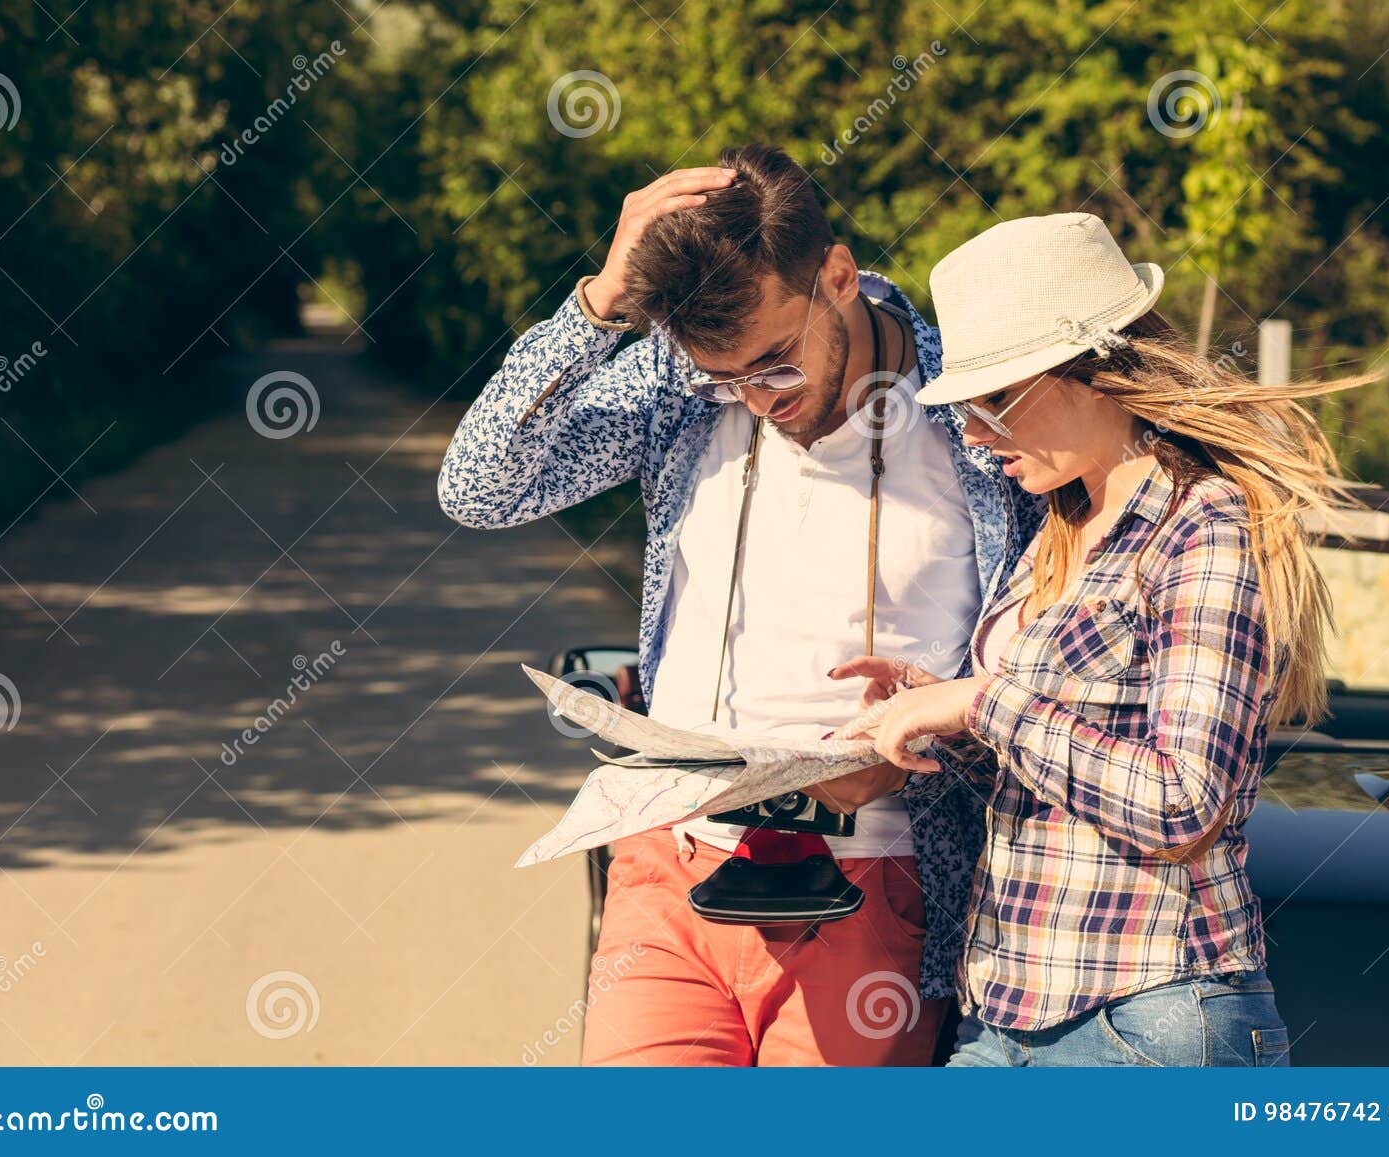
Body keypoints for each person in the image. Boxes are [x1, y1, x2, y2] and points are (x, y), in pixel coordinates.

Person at [437, 144, 1035, 1065]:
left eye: (775, 365)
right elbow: (480, 487)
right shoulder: (682, 391)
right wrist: (597, 303)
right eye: (727, 378)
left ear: (838, 275)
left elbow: (1048, 662)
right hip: (669, 869)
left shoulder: (973, 414)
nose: (755, 399)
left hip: (881, 879)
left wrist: (935, 751)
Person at [833, 212, 1369, 1066]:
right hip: (1008, 1011)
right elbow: (1047, 770)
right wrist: (935, 716)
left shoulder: (1204, 528)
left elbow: (1186, 801)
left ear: (1094, 373)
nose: (973, 434)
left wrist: (979, 698)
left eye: (995, 399)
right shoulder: (1060, 525)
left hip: (1149, 1018)